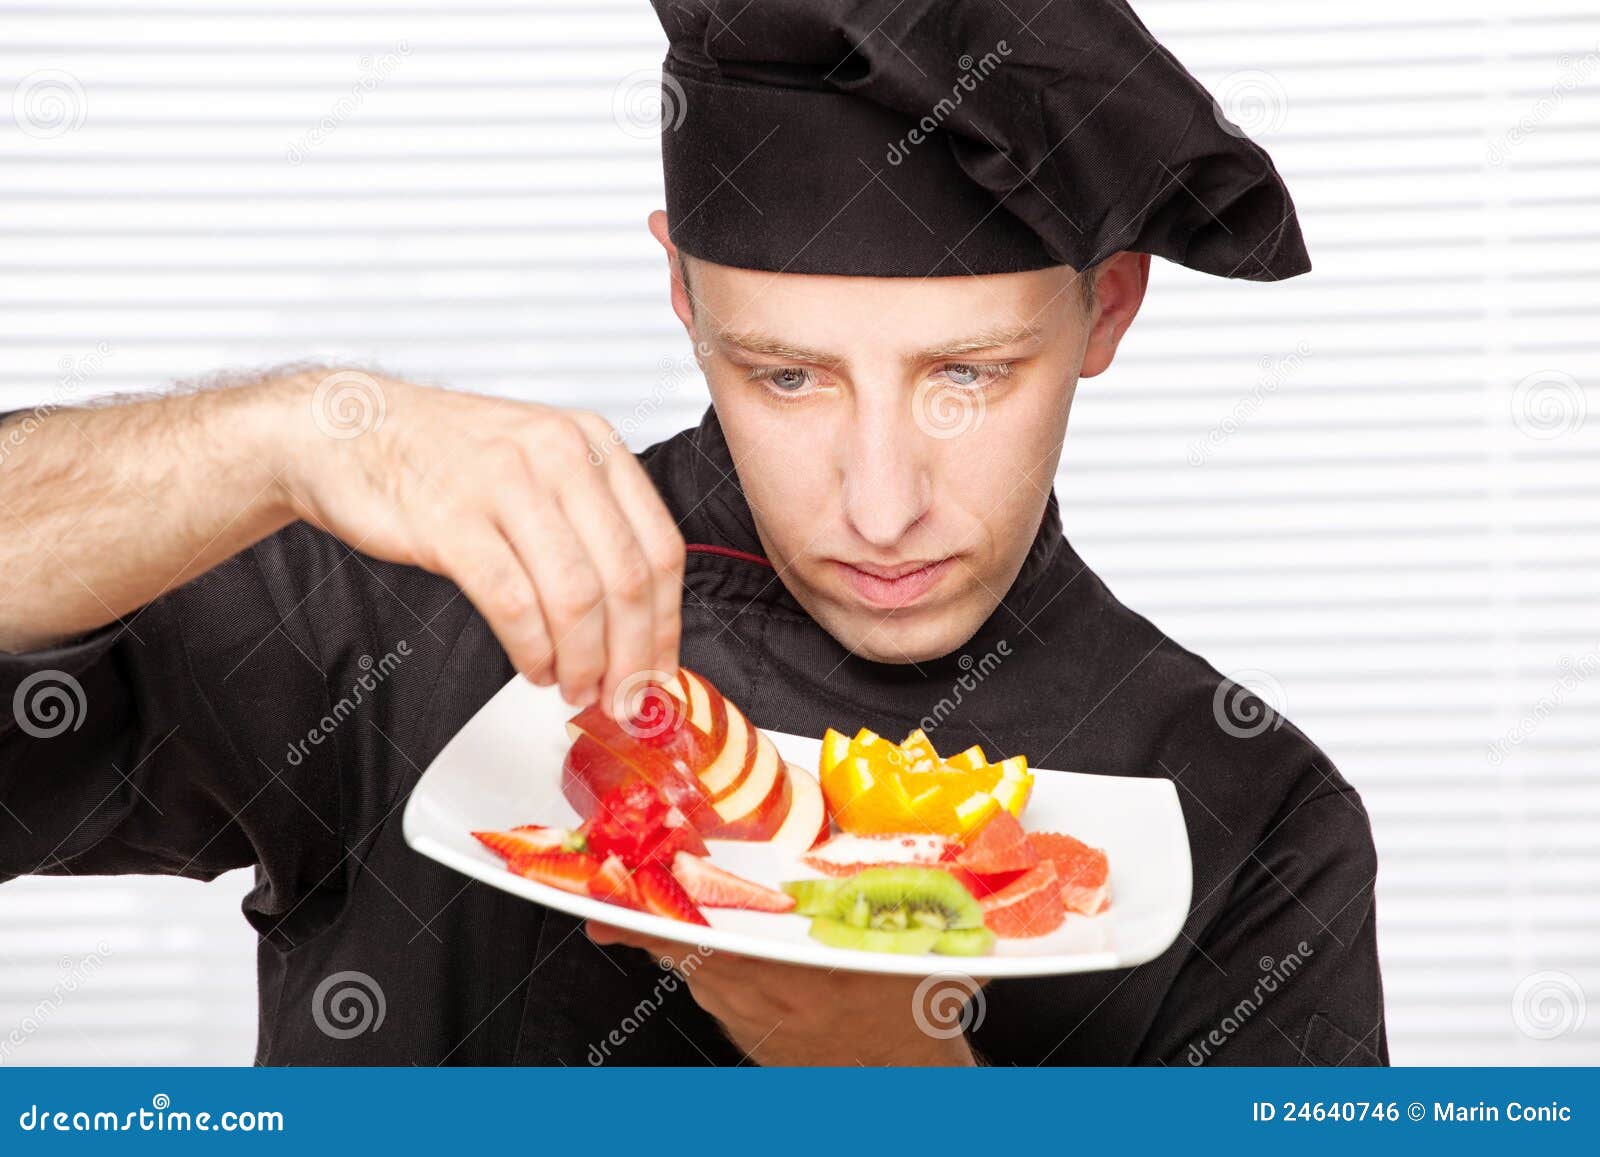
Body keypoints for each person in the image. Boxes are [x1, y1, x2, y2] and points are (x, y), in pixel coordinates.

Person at [0, 0, 1387, 1065]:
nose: (882, 503)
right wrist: (276, 437)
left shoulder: (1253, 816)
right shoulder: (406, 611)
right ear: (679, 287)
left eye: (968, 374)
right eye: (788, 374)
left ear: (1111, 307)